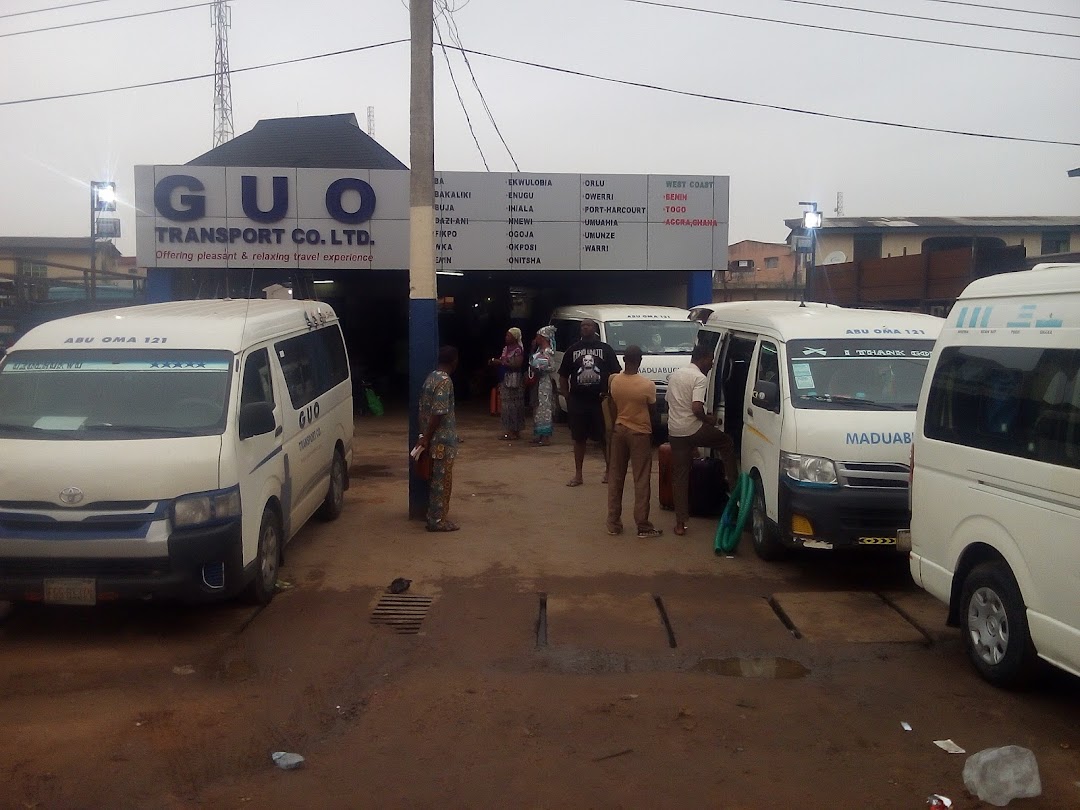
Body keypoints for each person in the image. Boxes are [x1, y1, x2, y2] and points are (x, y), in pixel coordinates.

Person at [666, 344, 738, 536]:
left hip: (675, 431)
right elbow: (697, 408)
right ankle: (735, 490)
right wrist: (709, 420)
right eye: (711, 359)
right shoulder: (699, 378)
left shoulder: (675, 375)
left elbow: (669, 402)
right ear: (703, 358)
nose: (712, 363)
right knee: (726, 443)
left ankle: (680, 524)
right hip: (694, 428)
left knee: (680, 476)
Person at [606, 345, 662, 538]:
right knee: (641, 478)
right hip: (640, 432)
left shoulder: (614, 381)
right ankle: (643, 525)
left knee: (616, 476)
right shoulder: (647, 385)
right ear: (640, 361)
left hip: (619, 429)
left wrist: (616, 423)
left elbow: (612, 405)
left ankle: (613, 523)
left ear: (624, 360)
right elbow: (653, 412)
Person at [558, 318, 621, 487]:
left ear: (595, 329)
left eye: (588, 325)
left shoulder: (605, 349)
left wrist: (612, 396)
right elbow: (563, 375)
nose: (585, 328)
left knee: (605, 437)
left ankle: (609, 471)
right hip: (578, 401)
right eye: (582, 326)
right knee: (579, 438)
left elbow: (616, 374)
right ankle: (578, 475)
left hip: (600, 401)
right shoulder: (572, 350)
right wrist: (567, 395)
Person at [419, 346, 460, 532]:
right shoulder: (445, 381)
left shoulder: (431, 378)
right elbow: (439, 412)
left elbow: (423, 409)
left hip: (432, 439)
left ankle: (434, 516)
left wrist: (423, 435)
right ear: (454, 361)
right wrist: (427, 437)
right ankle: (437, 521)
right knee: (442, 483)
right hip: (442, 441)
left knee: (435, 481)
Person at [491, 327, 525, 440]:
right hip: (505, 379)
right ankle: (510, 430)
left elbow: (517, 365)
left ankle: (514, 431)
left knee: (514, 406)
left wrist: (501, 362)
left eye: (509, 335)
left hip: (514, 380)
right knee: (506, 406)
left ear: (515, 337)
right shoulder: (506, 349)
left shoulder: (518, 350)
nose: (506, 337)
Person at [529, 325, 557, 446]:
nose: (536, 339)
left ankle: (545, 437)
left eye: (538, 337)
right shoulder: (538, 351)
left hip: (545, 382)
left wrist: (540, 368)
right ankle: (539, 434)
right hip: (538, 381)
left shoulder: (548, 351)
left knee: (544, 407)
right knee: (537, 407)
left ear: (543, 338)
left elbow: (552, 367)